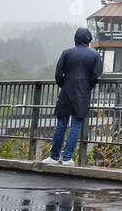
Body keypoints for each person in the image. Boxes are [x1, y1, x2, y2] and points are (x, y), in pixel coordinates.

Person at [43, 27, 102, 166]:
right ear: (88, 40)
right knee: (75, 126)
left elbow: (58, 74)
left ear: (75, 38)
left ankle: (53, 157)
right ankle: (67, 158)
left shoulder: (67, 53)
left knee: (61, 124)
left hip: (66, 91)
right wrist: (87, 86)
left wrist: (64, 84)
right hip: (82, 93)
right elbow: (95, 75)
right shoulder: (95, 56)